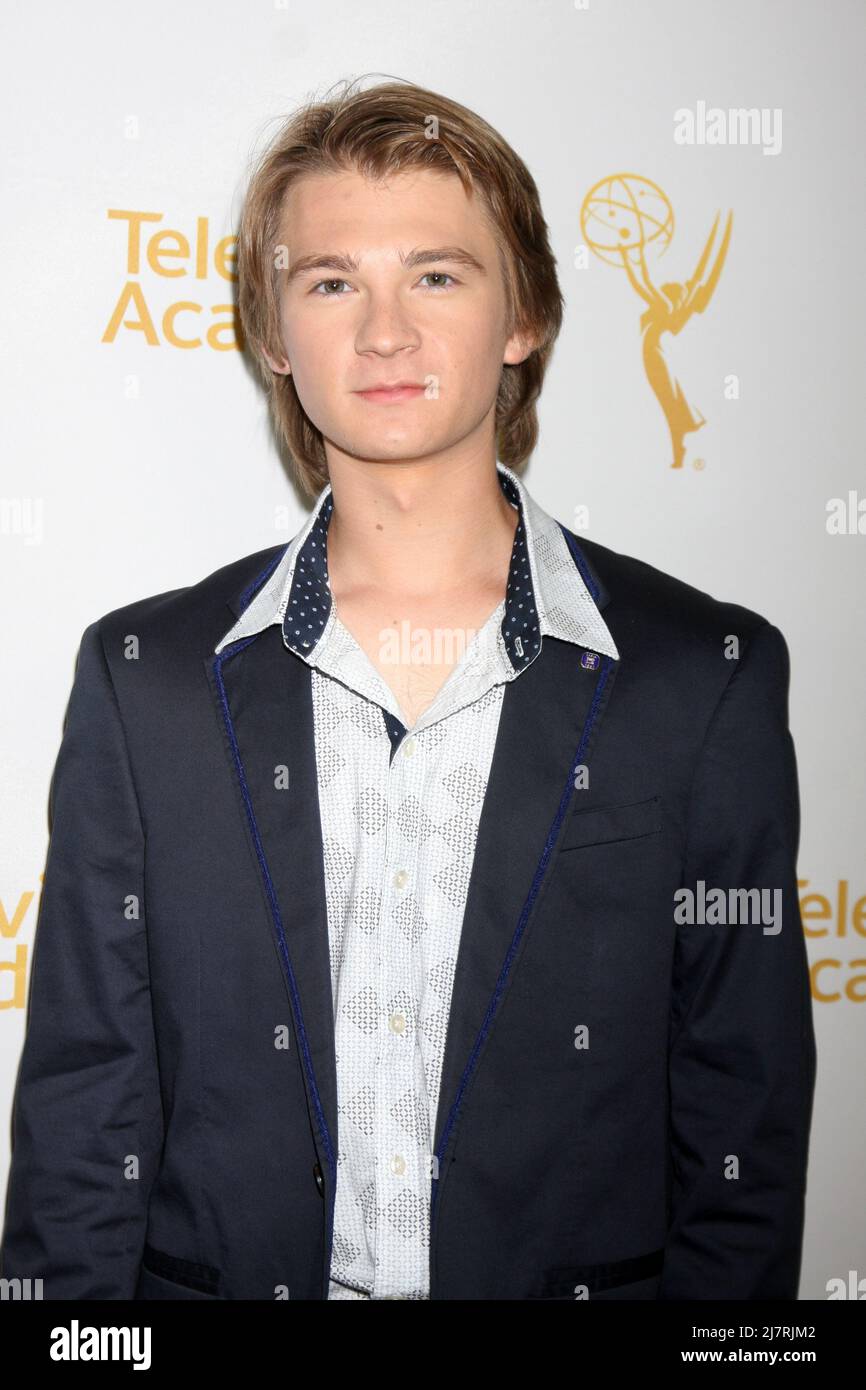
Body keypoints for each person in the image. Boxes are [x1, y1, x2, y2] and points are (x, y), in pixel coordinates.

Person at [0, 77, 816, 1300]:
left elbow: (740, 1114)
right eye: (332, 282)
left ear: (522, 317)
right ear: (274, 335)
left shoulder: (699, 679)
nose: (383, 331)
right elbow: (82, 1112)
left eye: (435, 275)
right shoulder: (147, 681)